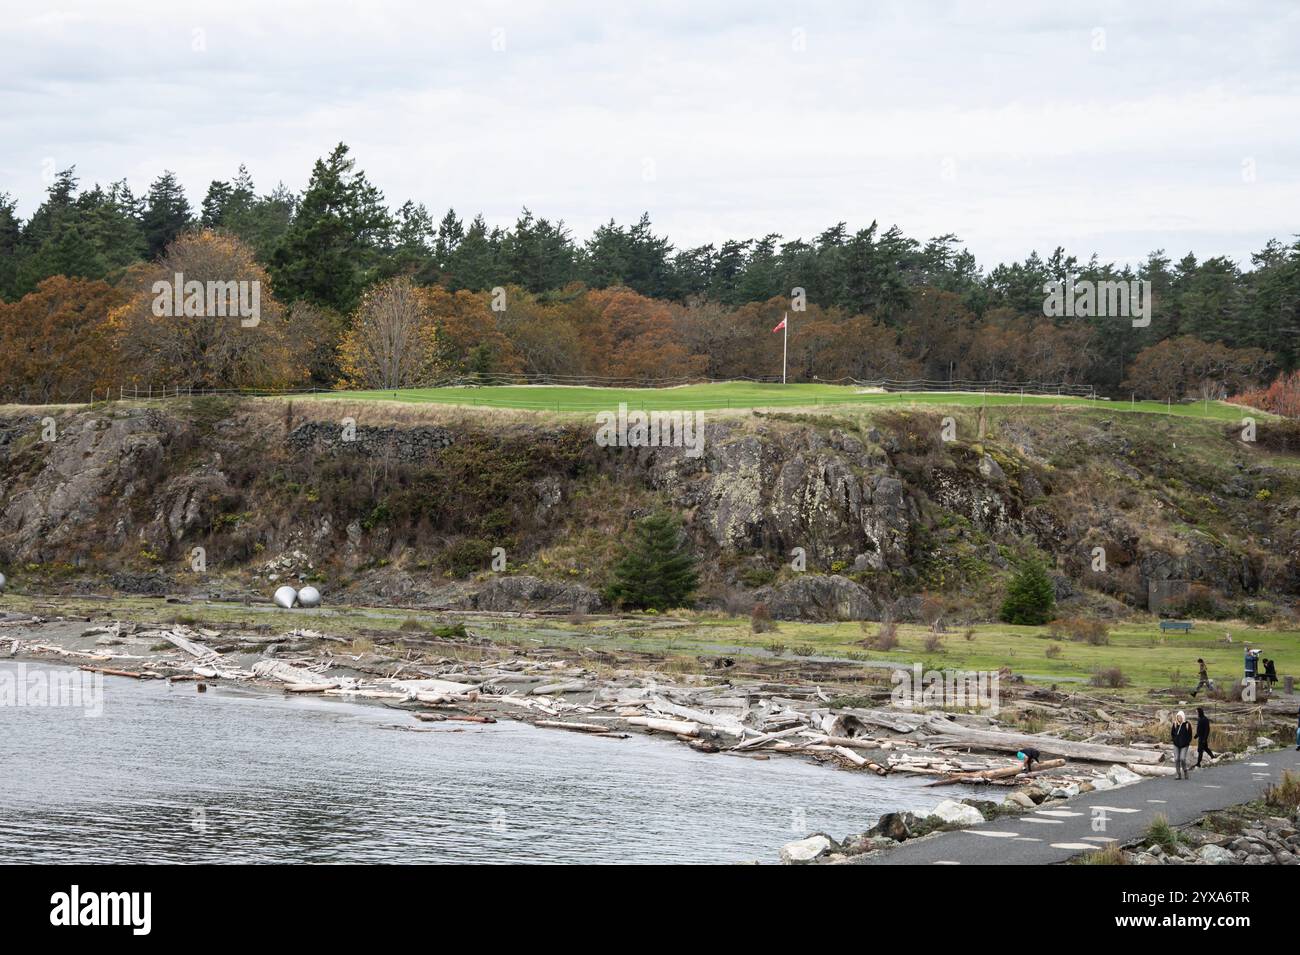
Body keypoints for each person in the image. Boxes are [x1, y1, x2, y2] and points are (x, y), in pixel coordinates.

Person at [1171, 711, 1192, 779]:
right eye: (1178, 717)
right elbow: (1172, 734)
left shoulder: (1187, 724)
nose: (1179, 718)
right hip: (1176, 745)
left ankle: (1185, 771)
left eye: (1180, 717)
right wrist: (1174, 740)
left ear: (1183, 717)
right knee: (1177, 759)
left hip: (1184, 745)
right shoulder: (1175, 724)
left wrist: (1187, 742)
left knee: (1182, 758)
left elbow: (1190, 735)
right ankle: (1178, 774)